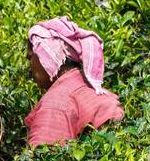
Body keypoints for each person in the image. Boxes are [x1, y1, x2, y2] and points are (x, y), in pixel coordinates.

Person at [24, 16, 124, 146]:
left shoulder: (55, 104)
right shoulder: (97, 92)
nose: (30, 66)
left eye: (30, 57)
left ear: (46, 56)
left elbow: (40, 160)